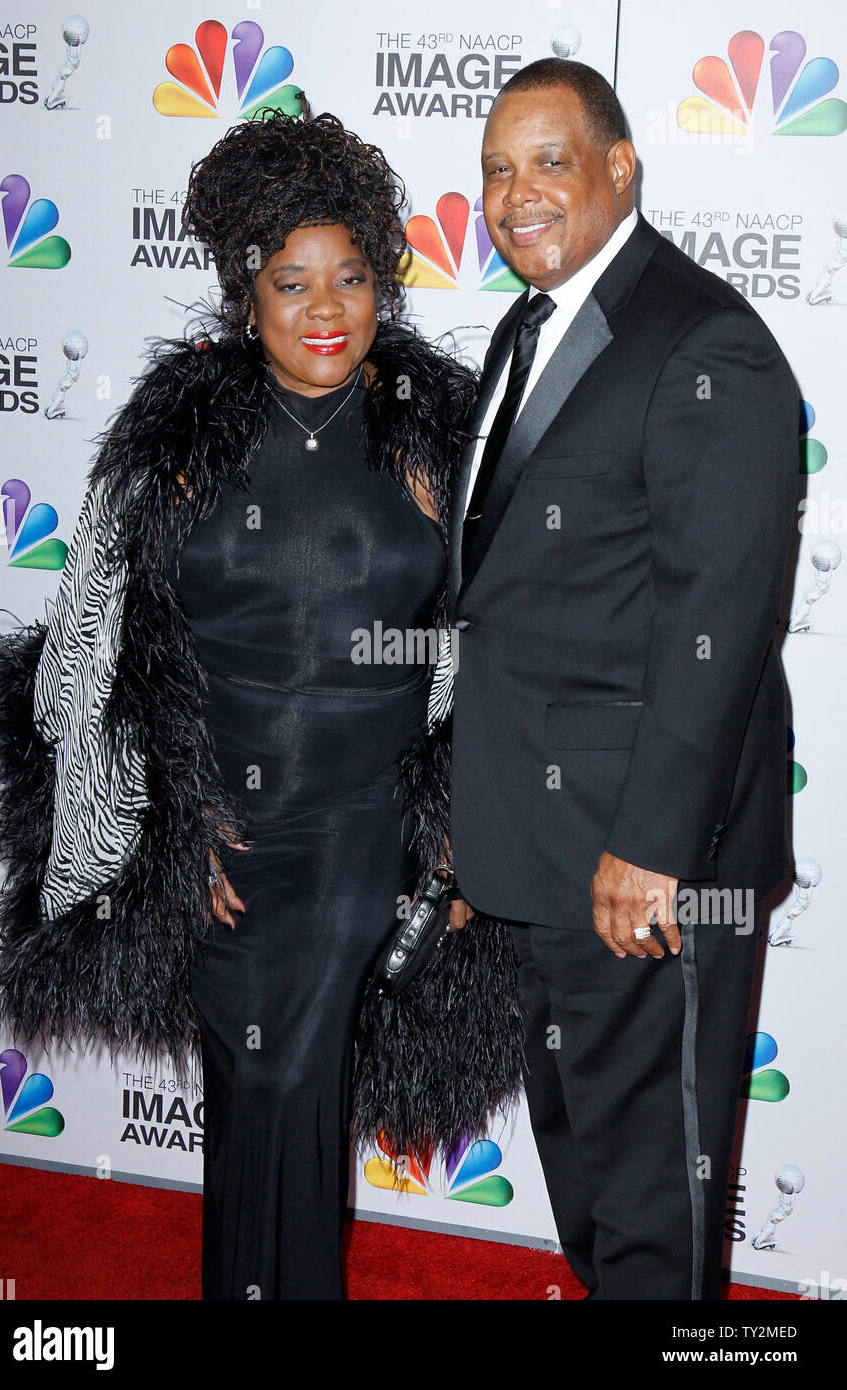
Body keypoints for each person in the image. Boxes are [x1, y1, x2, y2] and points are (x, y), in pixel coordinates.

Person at [0, 103, 523, 1302]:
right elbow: (90, 652)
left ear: (385, 281)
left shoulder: (436, 442)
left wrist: (463, 841)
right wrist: (167, 830)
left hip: (358, 830)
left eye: (351, 278)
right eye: (291, 283)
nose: (326, 309)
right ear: (245, 296)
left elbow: (499, 652)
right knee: (255, 1088)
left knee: (290, 1077)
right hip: (218, 832)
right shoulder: (176, 445)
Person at [446, 59, 798, 1300]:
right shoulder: (525, 326)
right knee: (591, 1186)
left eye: (547, 160)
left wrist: (650, 848)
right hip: (542, 851)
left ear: (618, 166)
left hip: (647, 870)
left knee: (657, 1211)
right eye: (495, 168)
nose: (515, 192)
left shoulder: (704, 340)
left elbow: (725, 614)